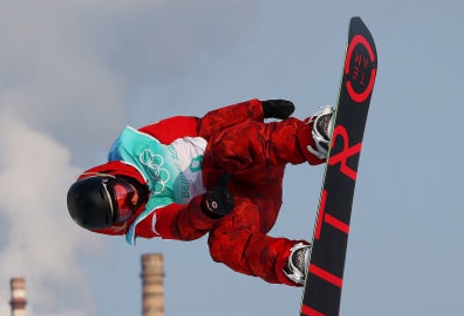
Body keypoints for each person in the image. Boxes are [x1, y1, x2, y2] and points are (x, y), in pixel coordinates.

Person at [65, 98, 334, 286]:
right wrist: (208, 209)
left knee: (226, 146)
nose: (132, 199)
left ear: (112, 176)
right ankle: (292, 262)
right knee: (221, 245)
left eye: (122, 192)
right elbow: (180, 225)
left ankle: (312, 139)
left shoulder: (138, 145)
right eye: (124, 208)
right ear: (120, 222)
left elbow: (203, 126)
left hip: (253, 160)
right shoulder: (144, 218)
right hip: (248, 204)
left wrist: (255, 109)